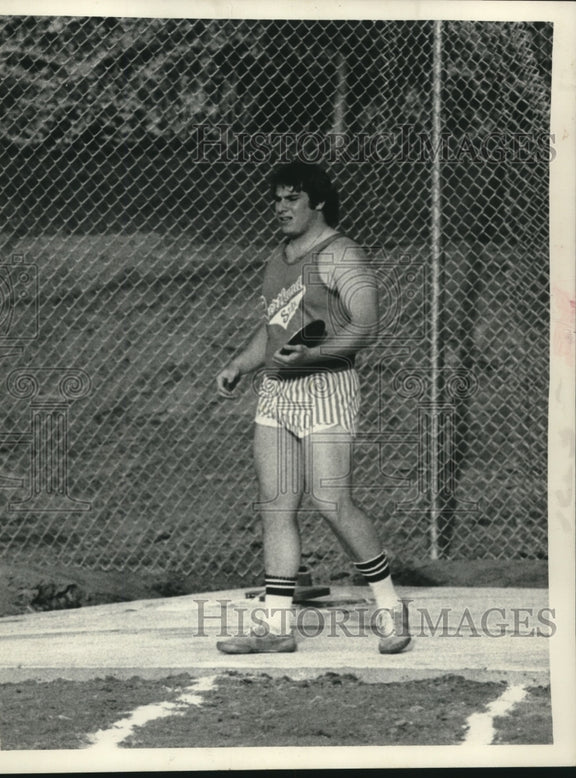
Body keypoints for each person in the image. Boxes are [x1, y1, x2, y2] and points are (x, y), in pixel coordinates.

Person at [215, 160, 411, 655]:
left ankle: (389, 608)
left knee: (330, 502)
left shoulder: (341, 254)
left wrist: (313, 354)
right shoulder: (279, 257)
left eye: (291, 199)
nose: (280, 208)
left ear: (316, 202)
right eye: (276, 199)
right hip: (277, 391)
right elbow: (274, 327)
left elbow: (365, 325)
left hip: (326, 385)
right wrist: (241, 364)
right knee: (276, 506)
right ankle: (276, 626)